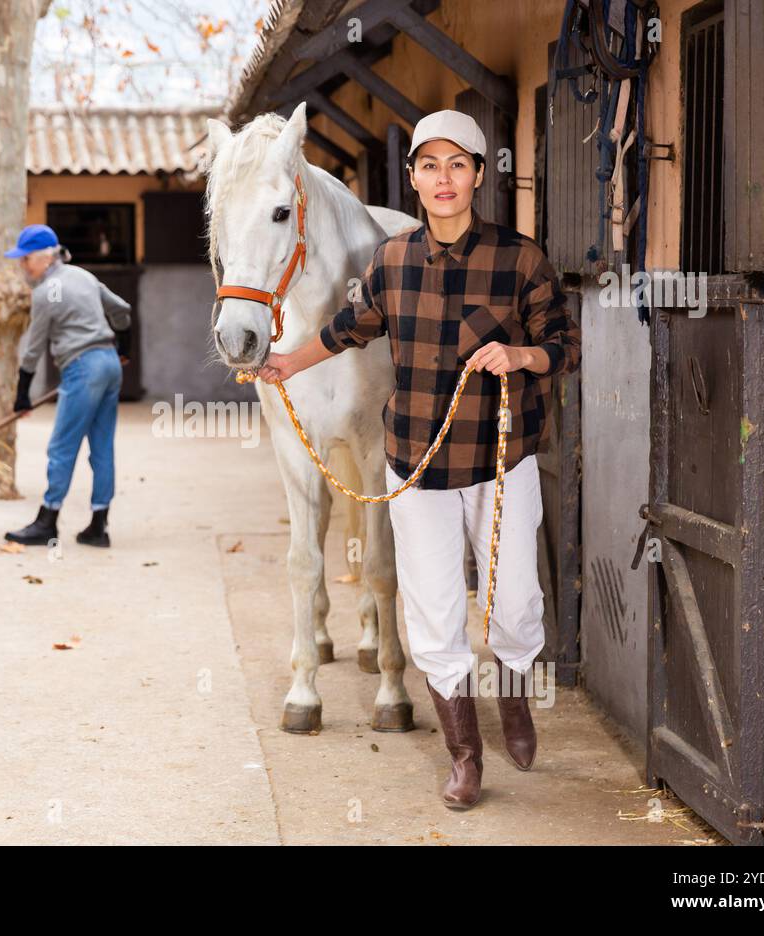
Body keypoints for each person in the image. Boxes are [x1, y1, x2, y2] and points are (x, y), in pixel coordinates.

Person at [259, 111, 582, 808]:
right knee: (434, 611)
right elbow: (347, 329)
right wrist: (284, 363)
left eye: (457, 164)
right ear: (412, 178)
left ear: (478, 174)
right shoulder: (393, 260)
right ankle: (465, 755)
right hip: (415, 462)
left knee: (513, 604)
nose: (444, 178)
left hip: (502, 458)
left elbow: (565, 345)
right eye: (429, 165)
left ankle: (516, 702)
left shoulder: (520, 258)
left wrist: (520, 355)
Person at [4, 224, 131, 549]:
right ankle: (99, 526)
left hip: (83, 368)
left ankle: (47, 521)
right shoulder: (83, 277)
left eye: (25, 259)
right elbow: (121, 310)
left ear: (44, 258)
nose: (23, 266)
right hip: (109, 363)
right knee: (102, 447)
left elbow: (33, 349)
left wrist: (22, 395)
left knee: (62, 446)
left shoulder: (46, 292)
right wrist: (123, 348)